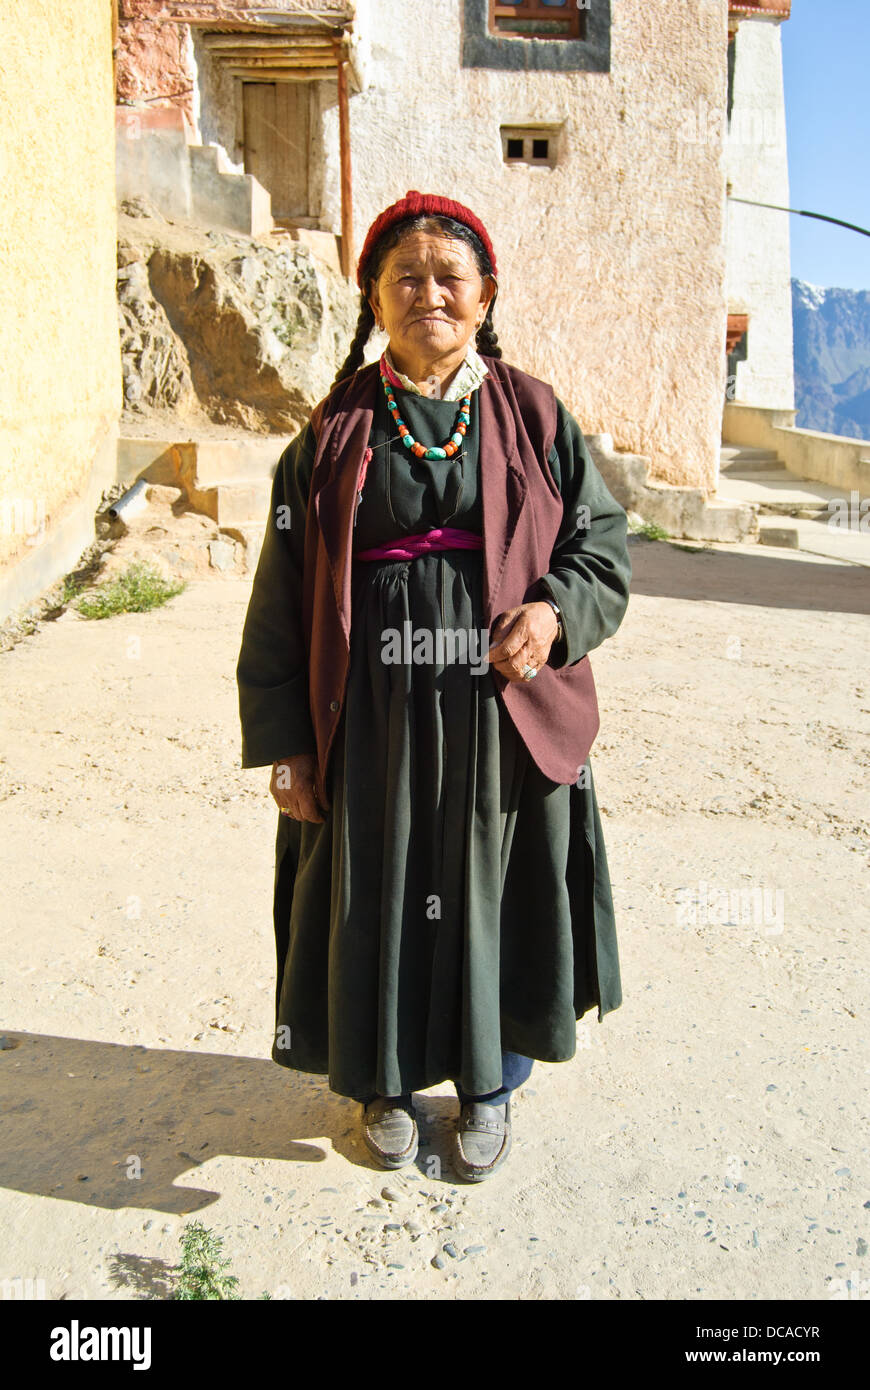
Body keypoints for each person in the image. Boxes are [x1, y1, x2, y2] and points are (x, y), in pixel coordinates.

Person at [236, 189, 631, 1182]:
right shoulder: (329, 439)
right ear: (375, 295)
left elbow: (602, 546)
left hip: (498, 713)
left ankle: (489, 1086)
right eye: (404, 277)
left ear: (484, 294)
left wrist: (551, 615)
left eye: (448, 277)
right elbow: (280, 597)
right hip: (367, 716)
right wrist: (286, 741)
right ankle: (385, 1084)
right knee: (380, 884)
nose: (428, 294)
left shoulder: (536, 415)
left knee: (488, 893)